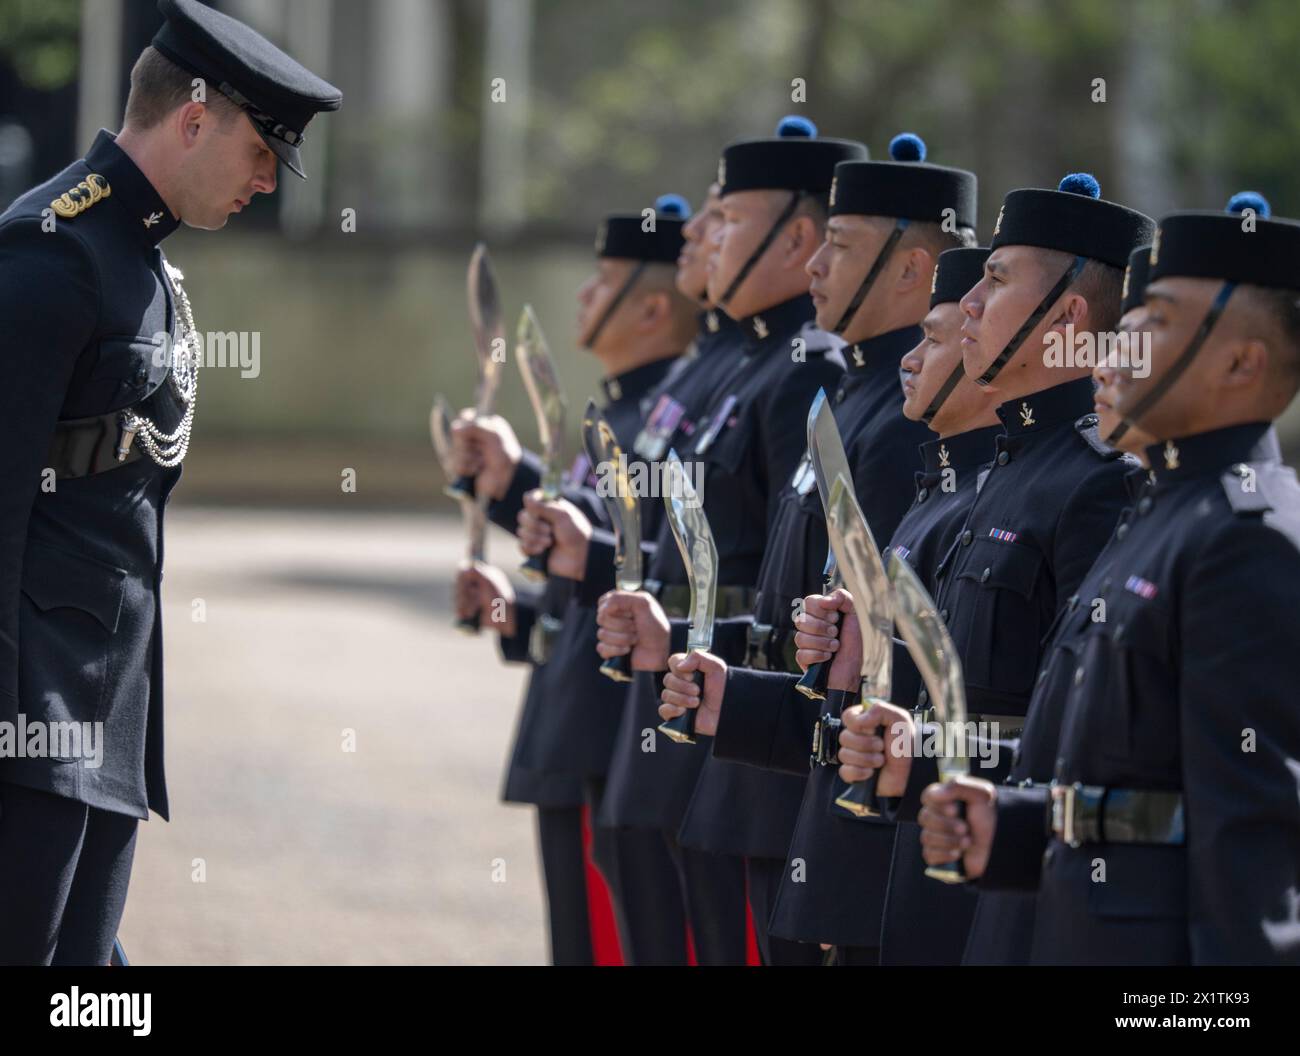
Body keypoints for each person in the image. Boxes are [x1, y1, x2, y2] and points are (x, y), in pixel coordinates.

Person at [0, 0, 340, 965]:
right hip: (31, 730)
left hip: (100, 726)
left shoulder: (141, 264)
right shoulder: (52, 251)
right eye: (262, 150)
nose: (268, 181)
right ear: (195, 119)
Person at [918, 192, 1300, 965]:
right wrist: (1012, 825)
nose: (1111, 350)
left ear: (1240, 363)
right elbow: (1123, 795)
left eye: (1151, 324)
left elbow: (1250, 846)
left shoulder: (1244, 537)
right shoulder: (1161, 510)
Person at [660, 136, 978, 965]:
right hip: (768, 750)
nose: (815, 269)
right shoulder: (847, 395)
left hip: (815, 771)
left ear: (911, 269)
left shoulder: (907, 419)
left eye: (838, 247)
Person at [825, 173, 1153, 965]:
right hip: (929, 866)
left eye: (997, 281)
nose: (970, 302)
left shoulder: (1098, 479)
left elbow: (1075, 736)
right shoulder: (1001, 465)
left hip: (1004, 891)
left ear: (1068, 315)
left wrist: (929, 749)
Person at [591, 116, 862, 962]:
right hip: (689, 674)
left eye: (728, 218)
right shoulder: (738, 361)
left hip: (743, 695)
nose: (701, 235)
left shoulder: (804, 367)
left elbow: (799, 569)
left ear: (798, 239)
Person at [452, 195, 696, 964]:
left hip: (614, 731)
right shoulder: (618, 414)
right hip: (576, 725)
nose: (586, 295)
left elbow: (650, 570)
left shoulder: (676, 412)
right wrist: (517, 614)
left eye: (605, 280)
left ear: (653, 307)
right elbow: (584, 569)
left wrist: (520, 486)